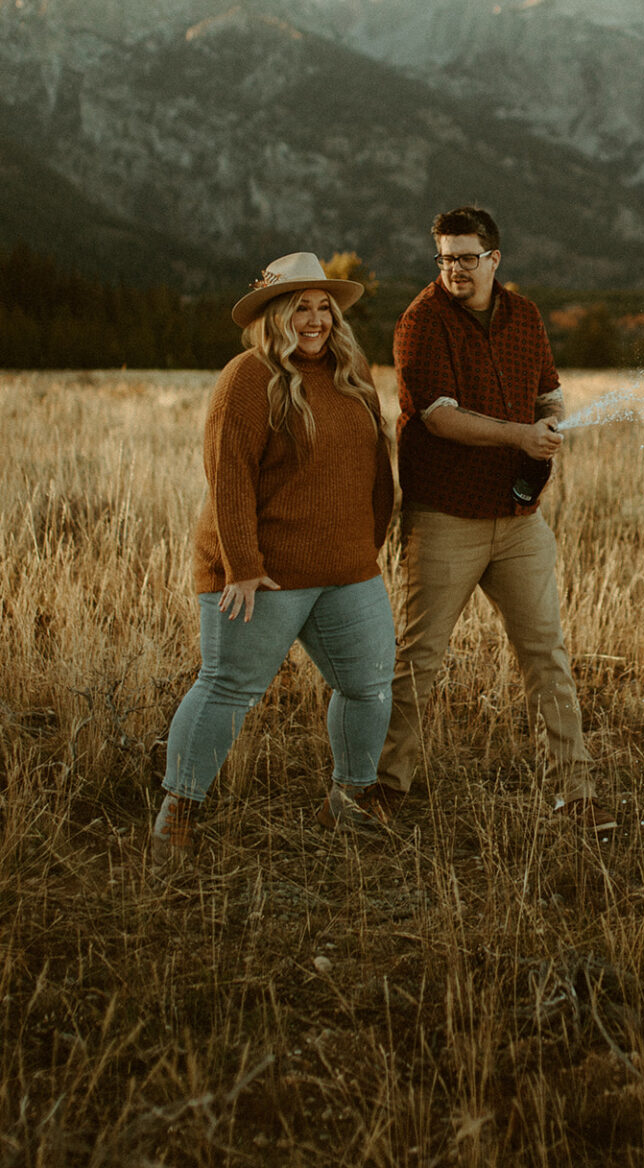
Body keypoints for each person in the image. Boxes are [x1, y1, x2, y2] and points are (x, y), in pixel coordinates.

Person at [368, 206, 616, 834]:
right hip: (445, 517)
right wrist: (519, 436)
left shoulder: (526, 316)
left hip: (519, 517)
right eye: (445, 257)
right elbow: (439, 416)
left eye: (466, 257)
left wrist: (552, 422)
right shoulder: (420, 322)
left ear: (494, 259)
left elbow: (549, 389)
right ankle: (387, 785)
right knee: (420, 655)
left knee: (545, 653)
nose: (454, 268)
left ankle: (576, 789)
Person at [151, 252, 396, 864]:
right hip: (264, 573)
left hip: (347, 571)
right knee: (228, 687)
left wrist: (370, 546)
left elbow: (376, 471)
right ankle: (178, 811)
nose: (313, 320)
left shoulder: (351, 375)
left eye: (323, 308)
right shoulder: (246, 376)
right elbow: (227, 475)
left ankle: (349, 798)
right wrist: (242, 564)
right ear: (273, 315)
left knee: (367, 687)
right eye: (299, 308)